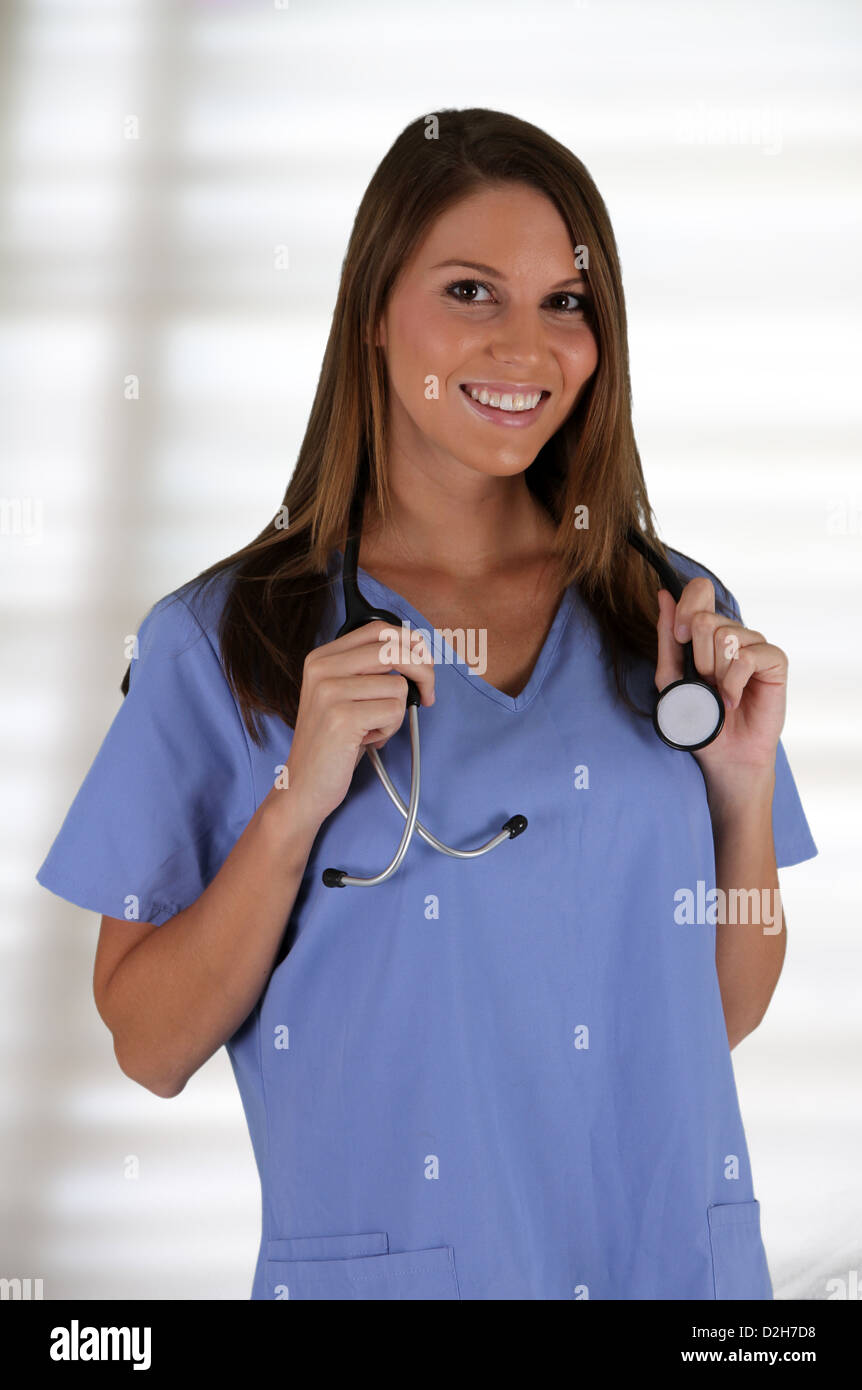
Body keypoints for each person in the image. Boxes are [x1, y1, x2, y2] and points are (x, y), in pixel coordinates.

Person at [35, 108, 817, 1301]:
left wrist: (740, 787)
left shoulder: (660, 613)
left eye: (564, 301)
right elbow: (147, 1046)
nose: (526, 346)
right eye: (469, 292)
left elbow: (718, 1012)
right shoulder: (227, 640)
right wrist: (297, 800)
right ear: (370, 314)